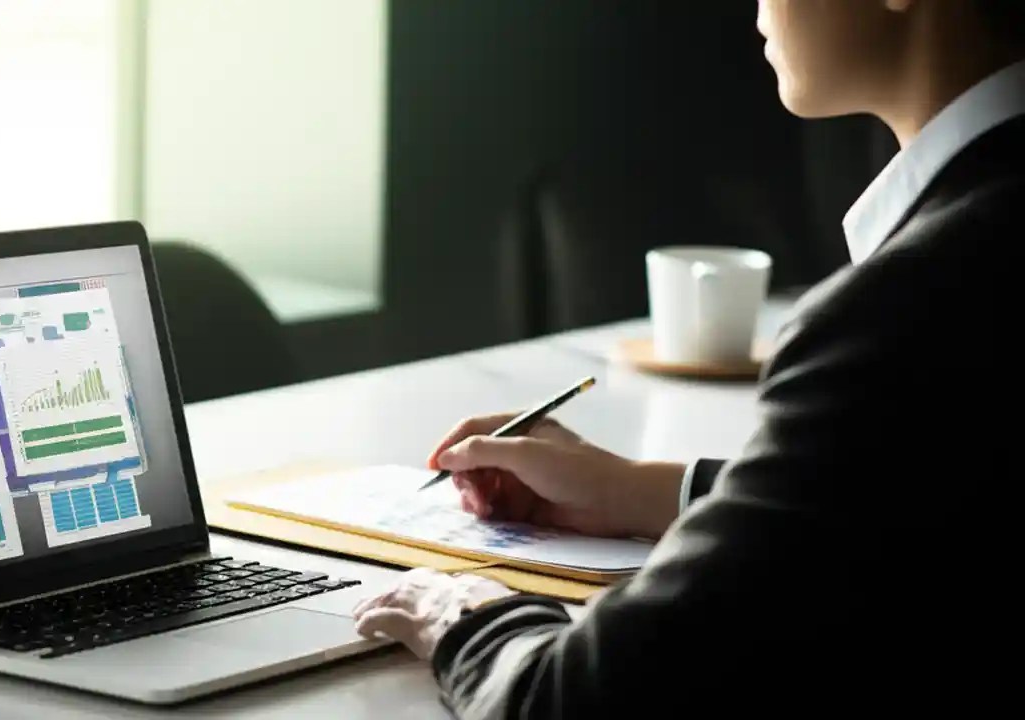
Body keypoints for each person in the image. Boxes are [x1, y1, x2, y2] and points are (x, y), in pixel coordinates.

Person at [352, 0, 1025, 714]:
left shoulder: (900, 315)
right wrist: (645, 491)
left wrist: (461, 608)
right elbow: (929, 496)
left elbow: (573, 703)